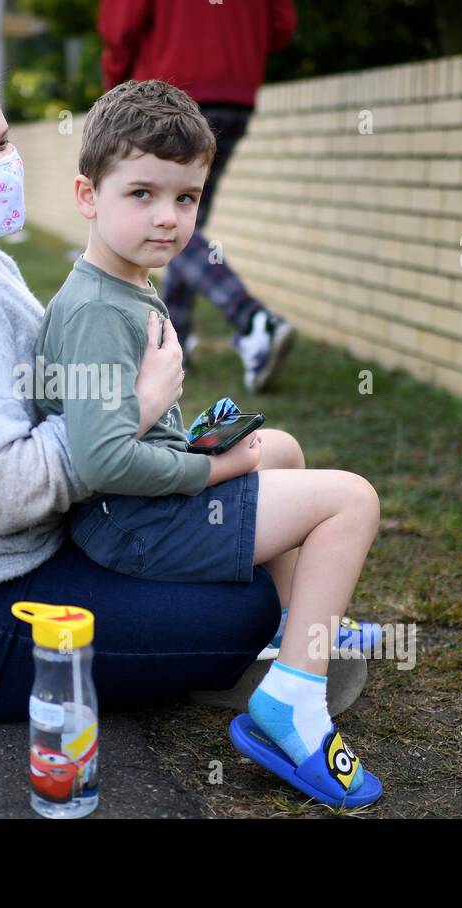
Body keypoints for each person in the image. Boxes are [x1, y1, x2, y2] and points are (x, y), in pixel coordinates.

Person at [0, 60, 380, 806]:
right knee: (246, 604)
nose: (2, 169)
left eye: (3, 144)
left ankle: (285, 650)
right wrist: (137, 413)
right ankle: (285, 678)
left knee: (260, 538)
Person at [32, 78, 383, 804]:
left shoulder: (127, 279)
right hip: (136, 526)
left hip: (139, 505)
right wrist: (213, 468)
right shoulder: (101, 310)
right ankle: (293, 704)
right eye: (142, 194)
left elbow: (124, 429)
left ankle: (287, 639)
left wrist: (204, 449)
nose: (167, 218)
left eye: (185, 198)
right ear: (87, 195)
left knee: (279, 447)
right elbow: (99, 461)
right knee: (352, 500)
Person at [98, 0, 300, 393]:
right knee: (186, 216)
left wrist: (115, 90)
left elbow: (121, 23)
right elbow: (282, 24)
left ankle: (253, 321)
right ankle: (174, 344)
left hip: (165, 95)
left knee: (163, 222)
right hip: (235, 94)